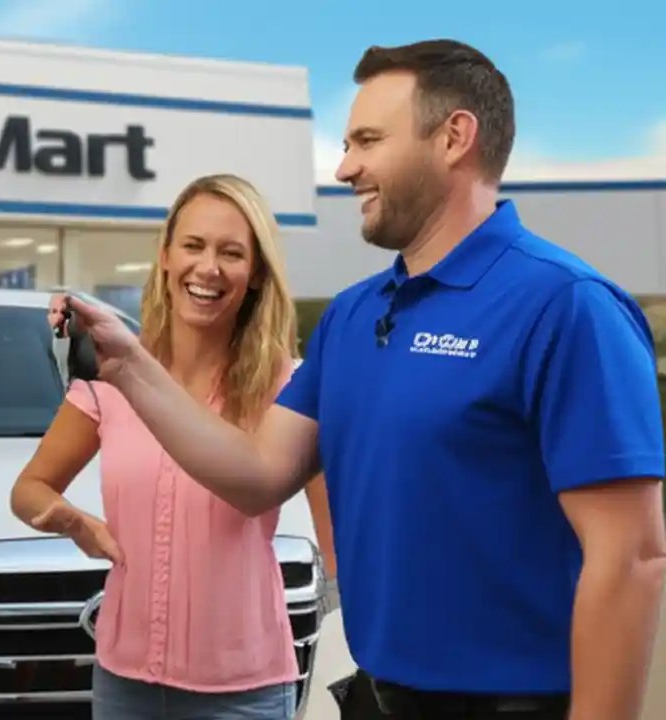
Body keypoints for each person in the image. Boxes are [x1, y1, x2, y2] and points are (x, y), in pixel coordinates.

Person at [62, 39, 666, 720]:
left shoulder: (566, 306)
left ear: (454, 137)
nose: (346, 167)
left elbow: (631, 558)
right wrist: (129, 366)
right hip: (376, 698)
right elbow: (259, 472)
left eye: (367, 140)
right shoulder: (353, 318)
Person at [11, 174, 335, 720]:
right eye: (193, 245)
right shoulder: (112, 377)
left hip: (246, 691)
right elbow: (28, 489)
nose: (208, 268)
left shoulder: (290, 388)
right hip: (124, 683)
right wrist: (73, 522)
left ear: (256, 273)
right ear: (165, 257)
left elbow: (342, 546)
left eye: (232, 253)